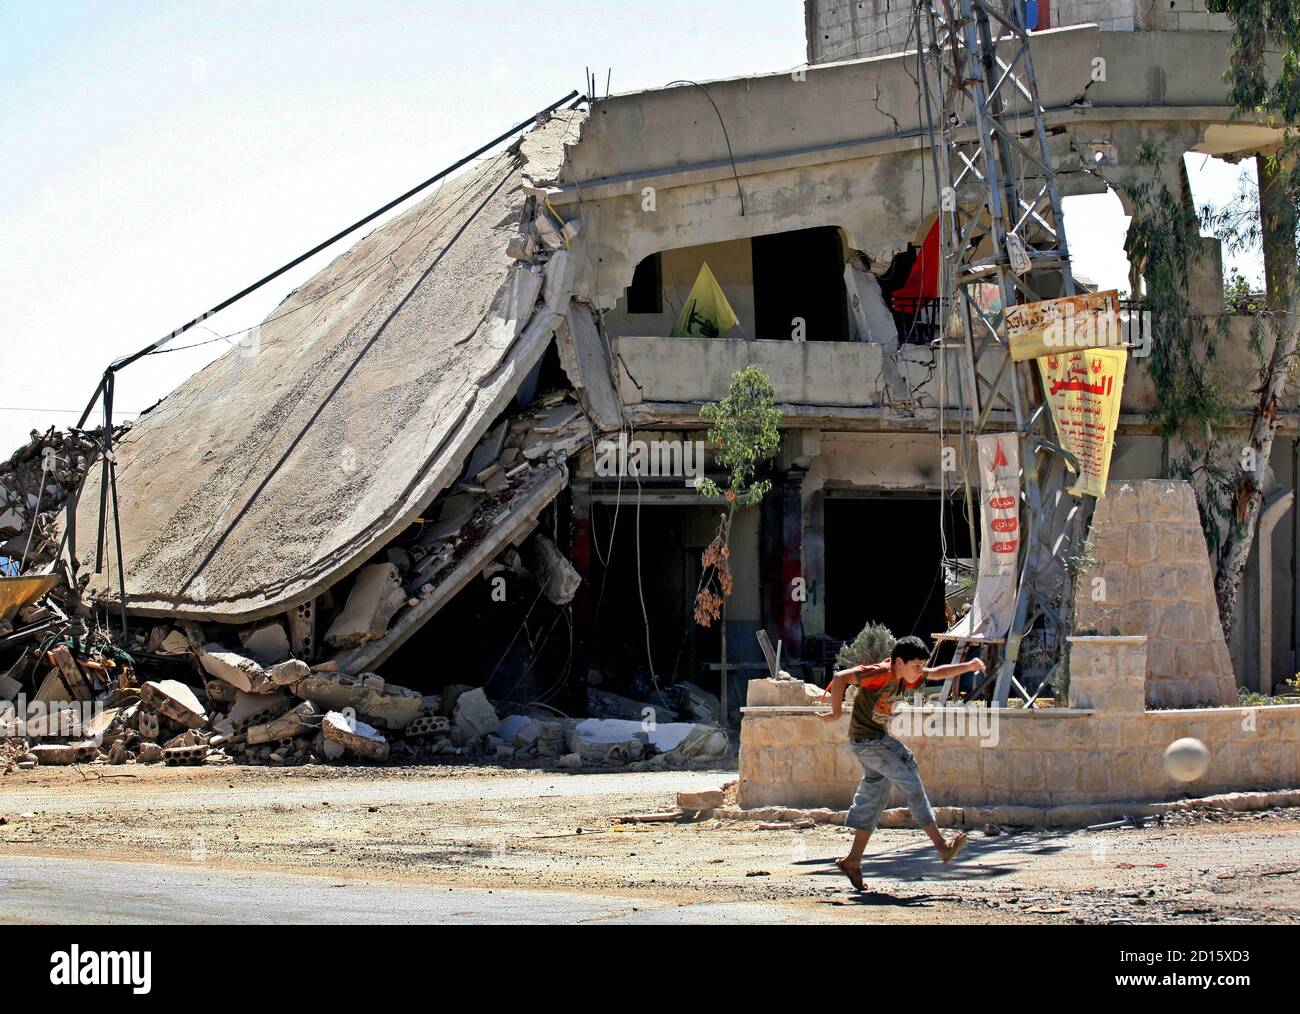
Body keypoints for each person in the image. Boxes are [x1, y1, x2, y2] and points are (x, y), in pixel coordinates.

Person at [817, 635, 985, 890]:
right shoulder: (880, 673)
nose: (920, 672)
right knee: (910, 778)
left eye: (921, 666)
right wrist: (836, 713)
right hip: (870, 743)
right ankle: (942, 846)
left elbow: (938, 673)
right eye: (916, 666)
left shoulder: (908, 674)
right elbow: (840, 678)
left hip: (873, 743)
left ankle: (852, 860)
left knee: (875, 798)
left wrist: (969, 666)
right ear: (898, 662)